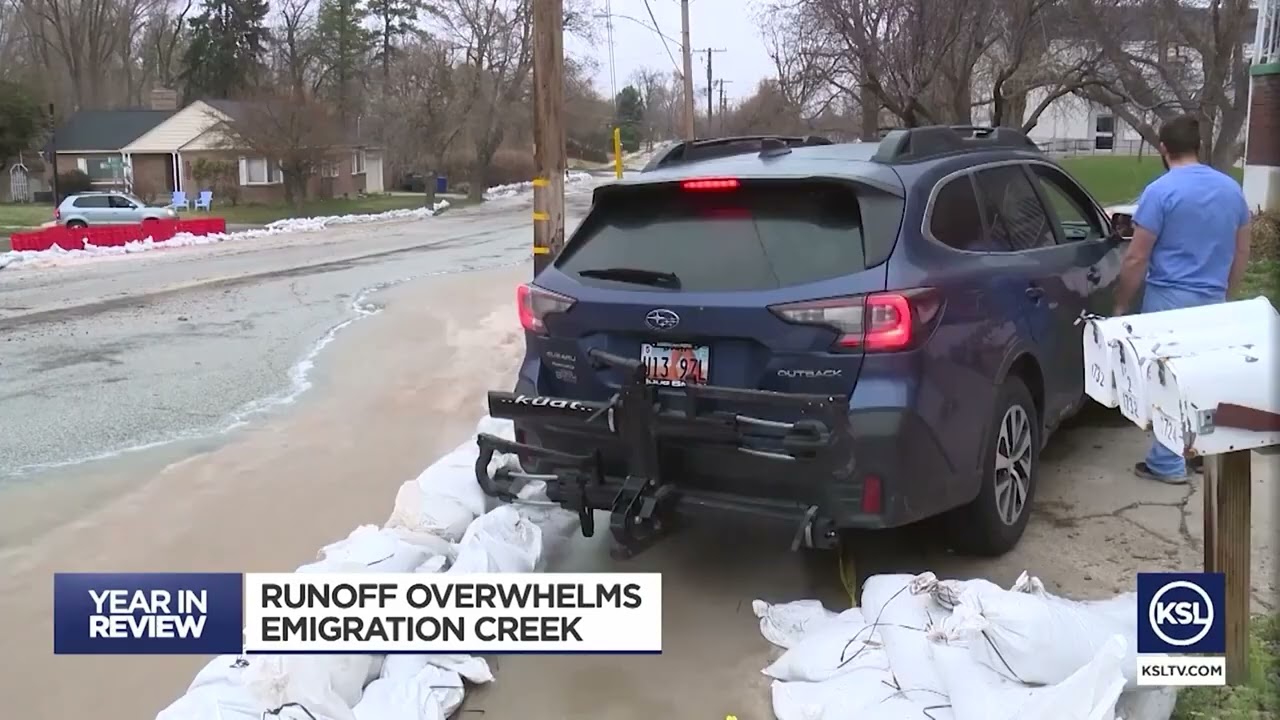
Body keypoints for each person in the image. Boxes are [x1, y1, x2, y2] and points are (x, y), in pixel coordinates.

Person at [1112, 114, 1253, 484]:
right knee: (1206, 382)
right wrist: (1228, 292)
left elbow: (1137, 256)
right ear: (1199, 146)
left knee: (1166, 383)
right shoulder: (1231, 190)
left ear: (1163, 149)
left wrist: (1121, 304)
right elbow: (1242, 252)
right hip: (1212, 297)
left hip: (1169, 299)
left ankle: (1167, 462)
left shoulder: (1160, 192)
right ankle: (1204, 453)